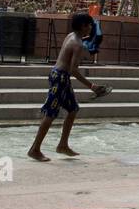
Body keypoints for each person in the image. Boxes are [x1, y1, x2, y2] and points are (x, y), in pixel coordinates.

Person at [28, 11, 113, 161]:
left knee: (73, 109)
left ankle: (62, 145)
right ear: (83, 26)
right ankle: (35, 149)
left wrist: (93, 40)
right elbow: (74, 69)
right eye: (89, 26)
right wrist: (92, 86)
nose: (91, 28)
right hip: (60, 78)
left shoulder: (71, 36)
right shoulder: (78, 44)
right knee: (50, 114)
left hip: (60, 76)